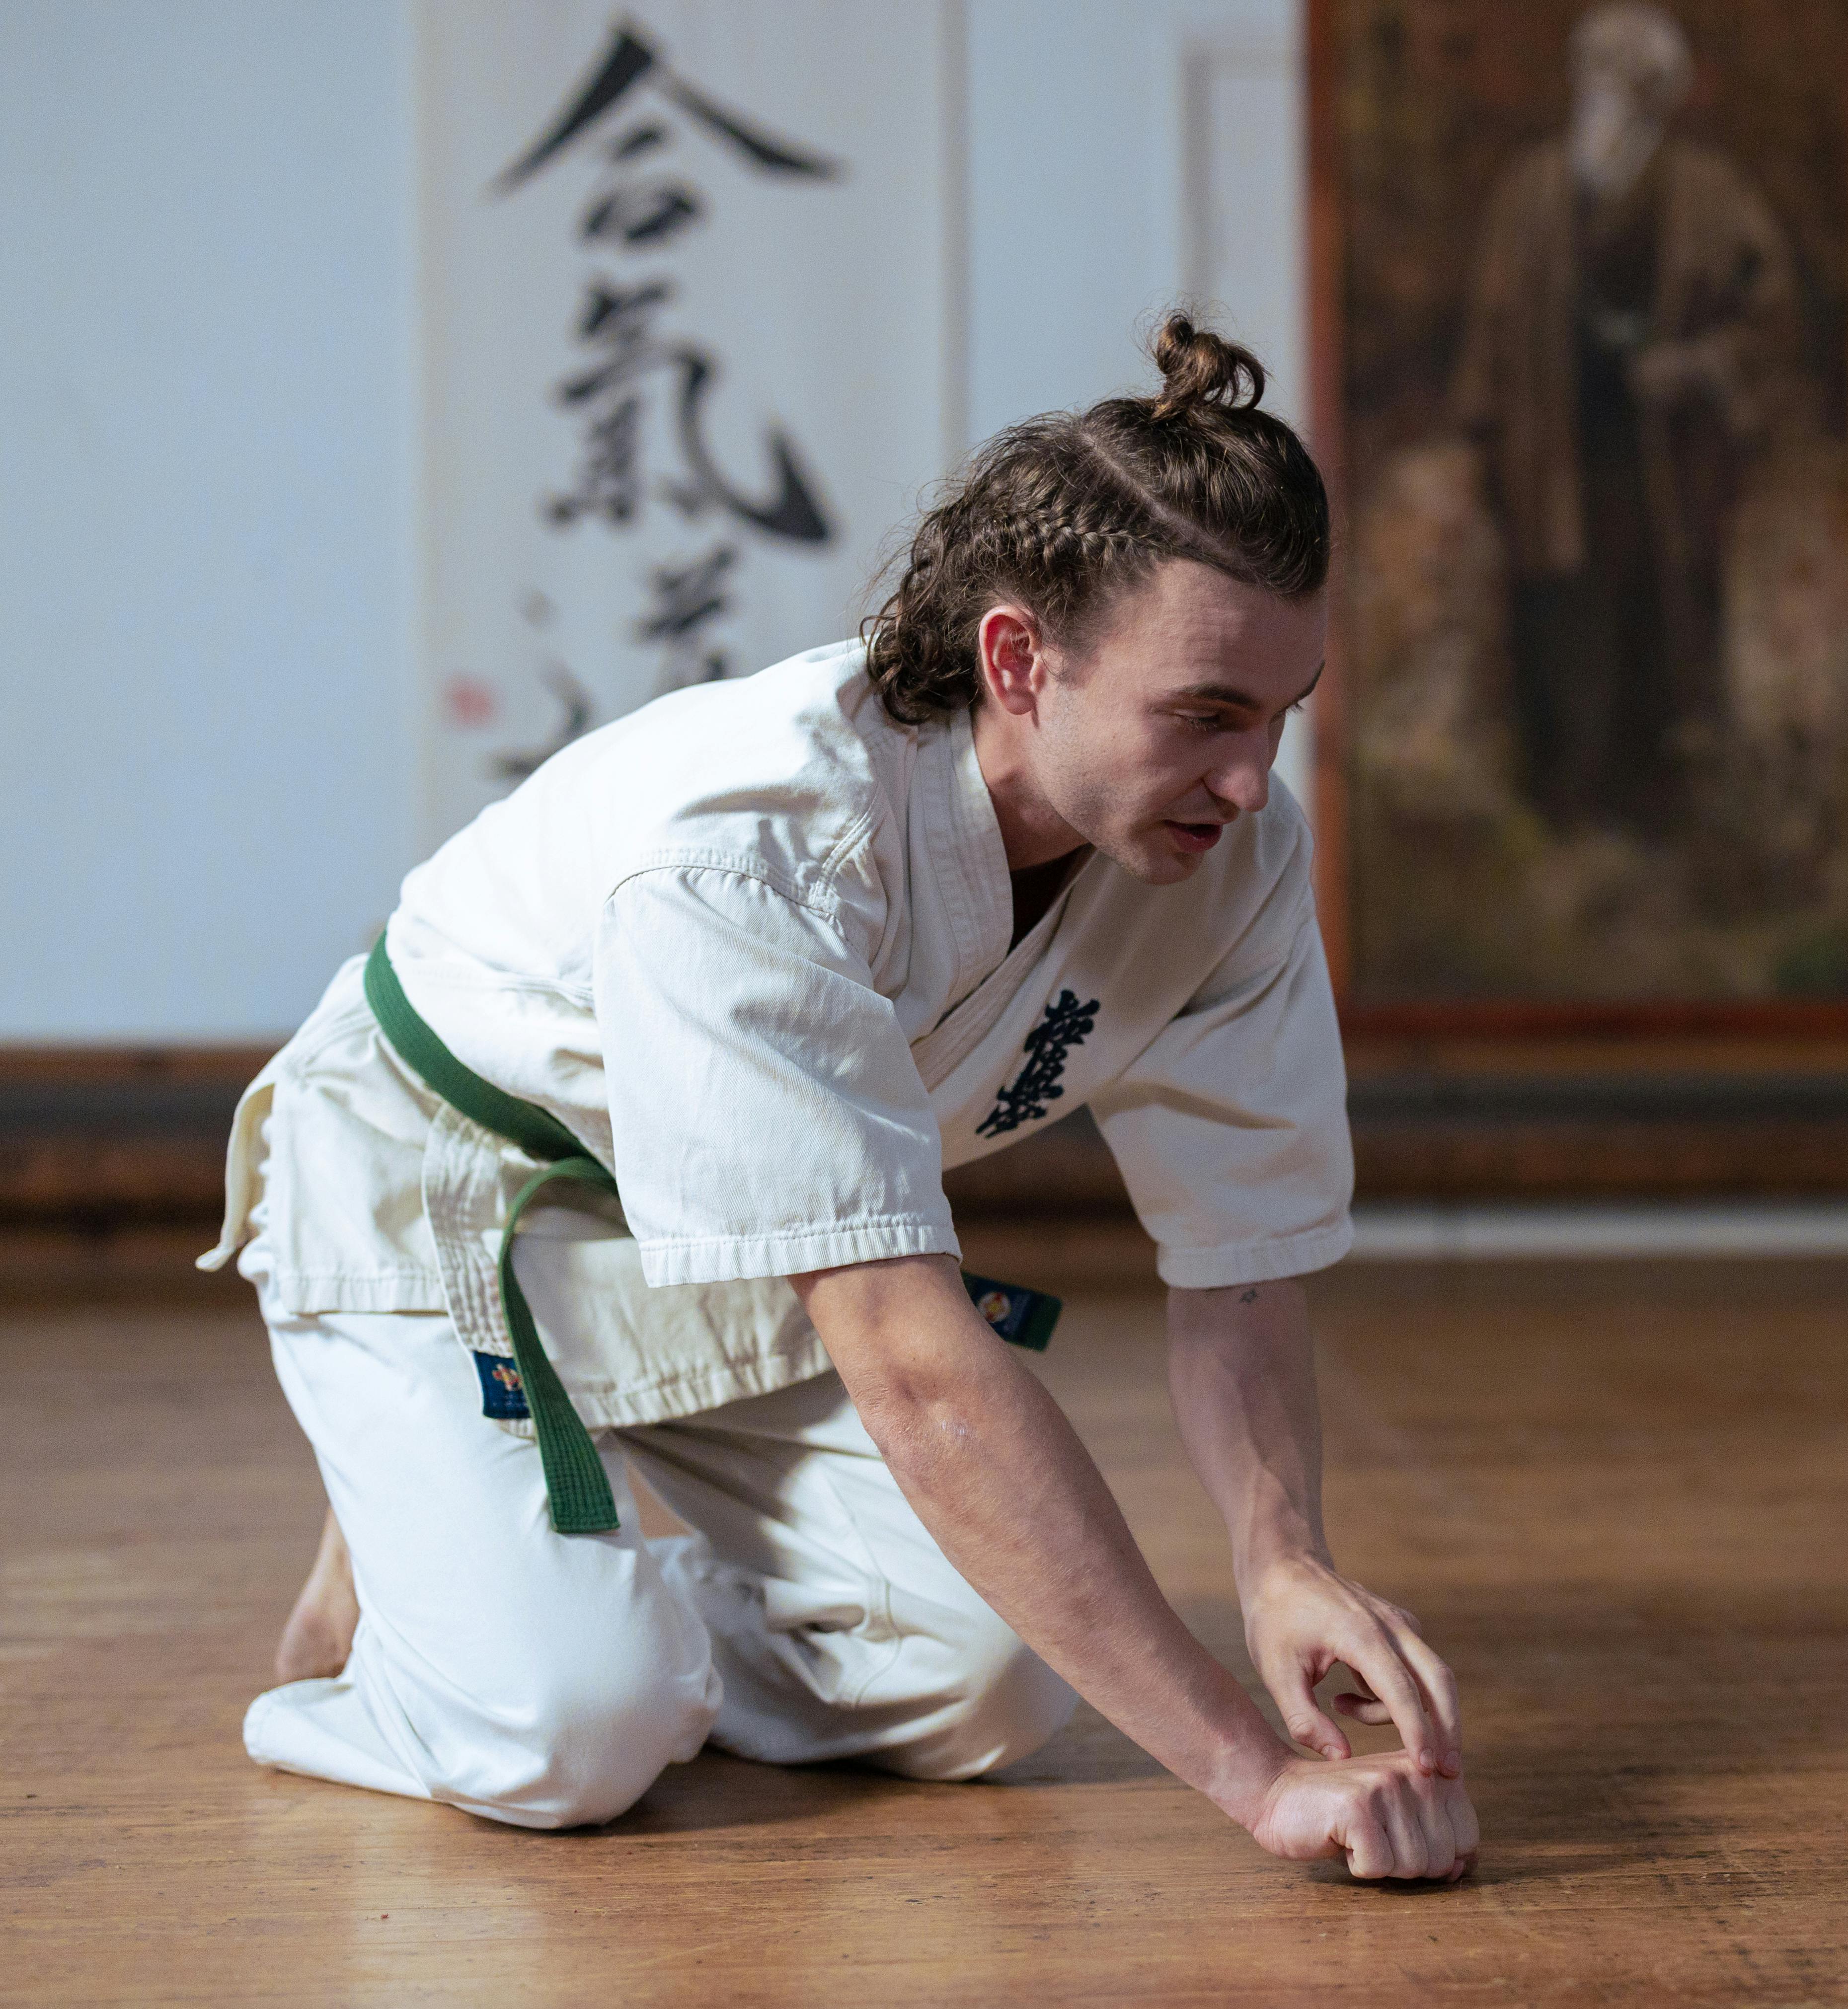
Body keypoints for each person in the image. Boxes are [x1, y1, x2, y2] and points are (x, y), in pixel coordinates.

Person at [207, 318, 1479, 1881]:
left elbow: (1243, 1261)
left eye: (1283, 711)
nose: (1250, 775)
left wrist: (1281, 1558)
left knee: (986, 1677)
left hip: (719, 1231)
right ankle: (440, 1631)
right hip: (448, 1175)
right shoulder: (755, 849)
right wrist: (1253, 1774)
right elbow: (915, 1368)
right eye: (1206, 713)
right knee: (567, 1731)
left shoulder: (1236, 860)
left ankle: (518, 1572)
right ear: (1019, 661)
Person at [1451, 0, 1800, 834]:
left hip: (1668, 464)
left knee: (1661, 615)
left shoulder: (1712, 194)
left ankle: (1662, 811)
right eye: (1597, 76)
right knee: (1556, 617)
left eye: (1630, 81)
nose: (1608, 96)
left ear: (1660, 97)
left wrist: (1693, 368)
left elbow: (1773, 323)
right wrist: (1481, 439)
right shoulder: (1531, 189)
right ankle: (1560, 806)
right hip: (1551, 458)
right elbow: (1490, 333)